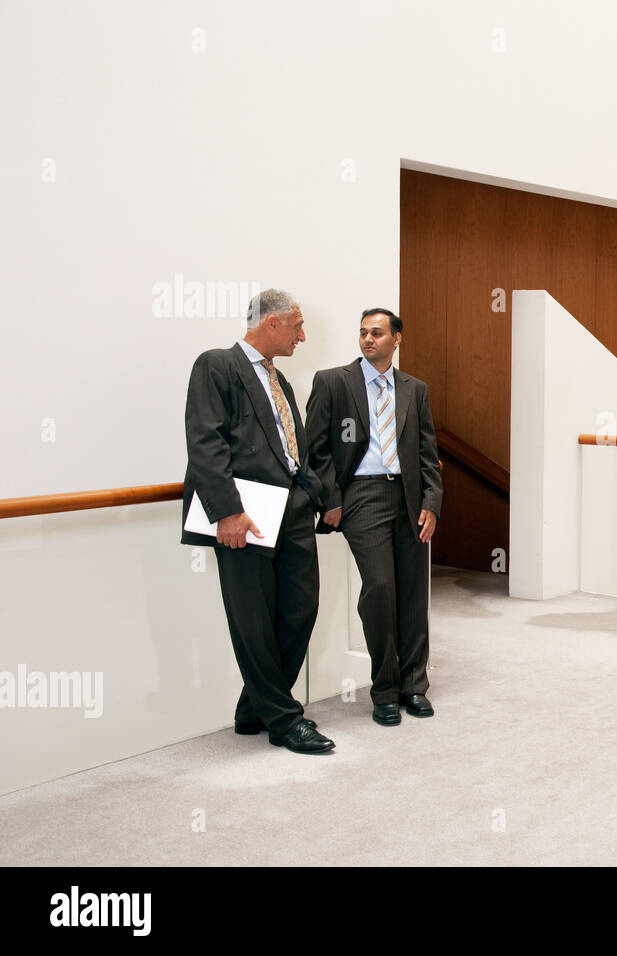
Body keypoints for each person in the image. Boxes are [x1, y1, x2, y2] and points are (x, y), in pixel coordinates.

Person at [181, 289, 335, 754]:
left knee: (300, 609)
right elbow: (205, 441)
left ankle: (256, 708)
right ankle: (285, 720)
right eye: (298, 326)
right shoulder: (216, 365)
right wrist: (226, 511)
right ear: (272, 323)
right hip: (244, 513)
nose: (303, 336)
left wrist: (321, 496)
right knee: (252, 616)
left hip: (290, 511)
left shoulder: (280, 381)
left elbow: (293, 450)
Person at [305, 308, 443, 727]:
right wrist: (330, 500)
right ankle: (383, 689)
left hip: (409, 495)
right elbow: (317, 450)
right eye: (363, 332)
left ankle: (413, 686)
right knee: (380, 588)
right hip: (362, 496)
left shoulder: (414, 389)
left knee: (414, 593)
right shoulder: (333, 382)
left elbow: (427, 451)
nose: (368, 339)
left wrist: (432, 502)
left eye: (377, 333)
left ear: (396, 339)